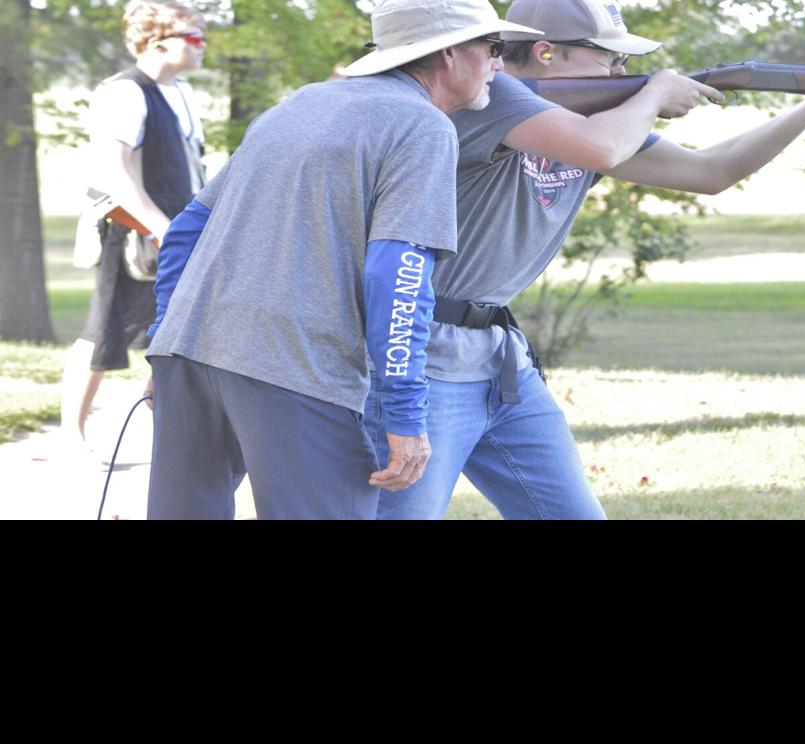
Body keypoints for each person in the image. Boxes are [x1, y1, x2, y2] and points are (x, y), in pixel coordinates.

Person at [364, 0, 805, 519]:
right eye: (611, 58)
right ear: (549, 53)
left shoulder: (599, 123)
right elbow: (600, 150)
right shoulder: (492, 95)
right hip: (425, 355)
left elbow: (711, 173)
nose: (623, 71)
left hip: (499, 359)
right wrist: (654, 95)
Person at [141, 0, 543, 519]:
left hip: (188, 356)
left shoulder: (302, 102)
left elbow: (184, 233)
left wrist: (164, 339)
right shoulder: (422, 126)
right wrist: (405, 414)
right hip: (294, 367)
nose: (499, 64)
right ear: (447, 54)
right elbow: (398, 277)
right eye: (491, 48)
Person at [62, 0, 206, 444]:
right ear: (157, 41)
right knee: (102, 333)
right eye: (194, 37)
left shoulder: (178, 92)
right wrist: (162, 228)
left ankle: (171, 434)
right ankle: (73, 435)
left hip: (169, 235)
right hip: (128, 233)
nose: (203, 46)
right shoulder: (124, 92)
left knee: (174, 332)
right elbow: (116, 173)